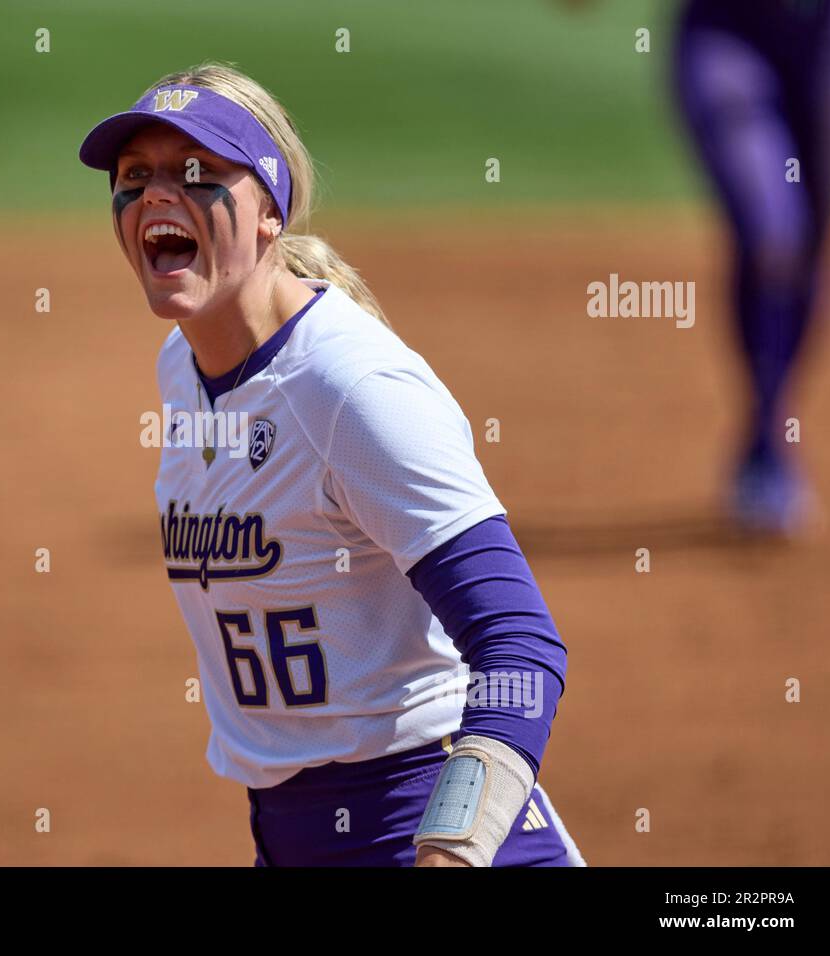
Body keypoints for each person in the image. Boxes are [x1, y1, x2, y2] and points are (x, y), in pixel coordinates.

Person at [78, 62, 584, 866]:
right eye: (135, 178)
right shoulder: (184, 368)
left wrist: (454, 844)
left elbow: (520, 646)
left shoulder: (350, 389)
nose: (157, 196)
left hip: (429, 827)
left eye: (198, 173)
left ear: (270, 210)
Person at [673, 0, 830, 533]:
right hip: (726, 31)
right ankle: (769, 443)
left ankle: (769, 426)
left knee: (810, 244)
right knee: (772, 232)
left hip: (826, 38)